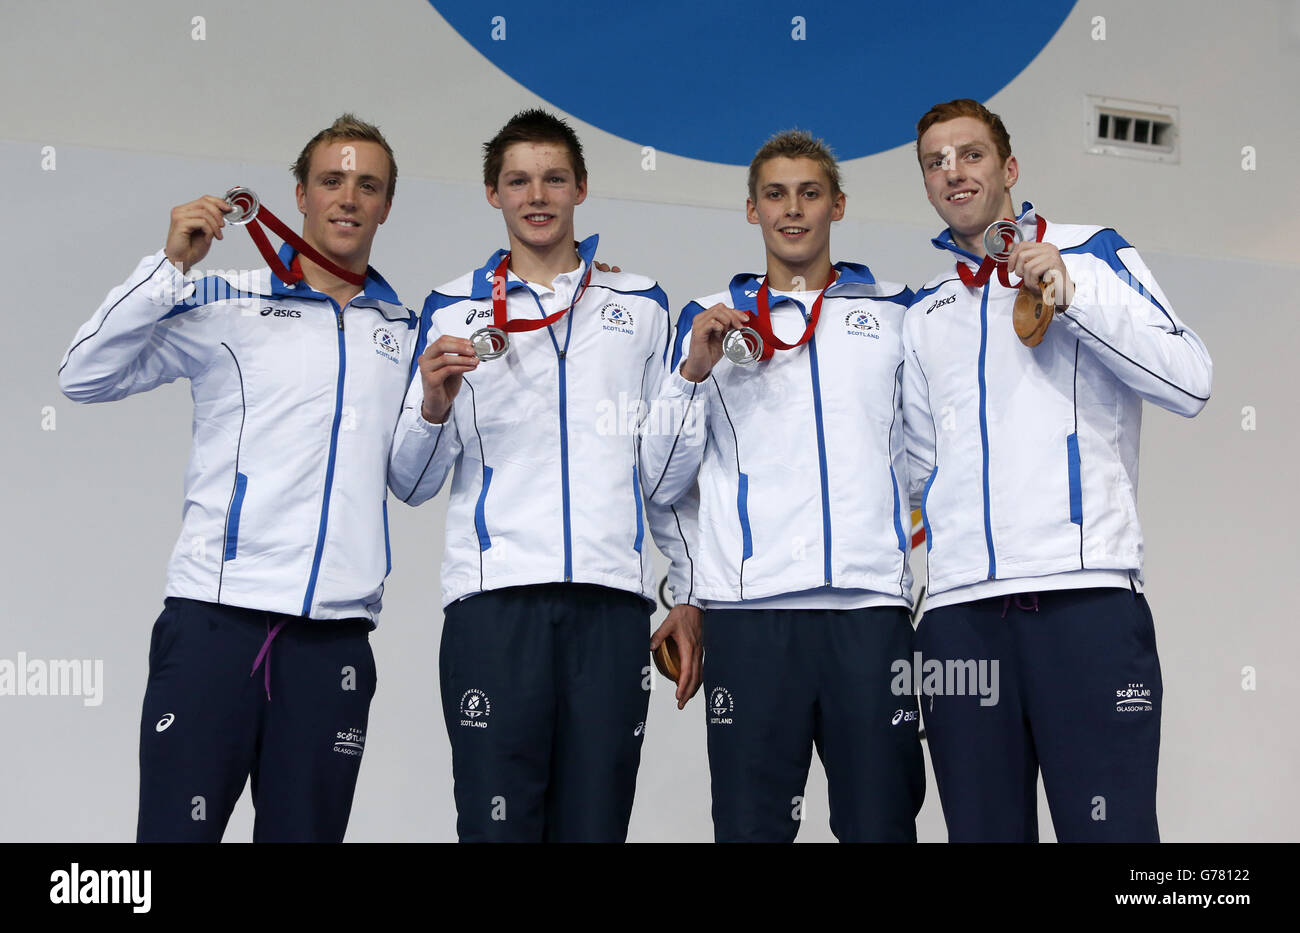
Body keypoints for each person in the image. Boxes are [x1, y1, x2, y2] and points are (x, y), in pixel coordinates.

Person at [58, 114, 413, 842]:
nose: (348, 197)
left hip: (334, 641)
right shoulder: (227, 296)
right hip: (216, 622)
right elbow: (83, 376)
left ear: (385, 206)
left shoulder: (401, 329)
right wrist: (166, 267)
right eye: (332, 180)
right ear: (301, 194)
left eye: (367, 185)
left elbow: (414, 476)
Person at [388, 109, 702, 843]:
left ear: (581, 189)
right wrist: (433, 402)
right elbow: (412, 480)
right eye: (518, 179)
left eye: (554, 178)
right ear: (492, 193)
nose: (538, 194)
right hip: (494, 609)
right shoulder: (451, 308)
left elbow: (664, 472)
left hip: (609, 609)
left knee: (594, 830)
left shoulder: (642, 303)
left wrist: (686, 591)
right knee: (497, 830)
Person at [903, 98, 1213, 842]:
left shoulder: (1093, 250)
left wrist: (1074, 298)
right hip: (959, 619)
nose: (954, 172)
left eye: (970, 154)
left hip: (1086, 602)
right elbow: (918, 471)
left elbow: (1191, 382)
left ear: (1008, 168)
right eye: (934, 162)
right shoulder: (927, 312)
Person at [639, 130, 925, 842]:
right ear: (751, 210)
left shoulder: (895, 313)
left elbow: (930, 458)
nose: (792, 210)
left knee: (883, 825)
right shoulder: (705, 320)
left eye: (809, 193)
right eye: (775, 194)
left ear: (838, 205)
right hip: (750, 620)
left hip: (869, 616)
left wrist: (904, 554)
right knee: (750, 828)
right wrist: (692, 374)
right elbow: (660, 478)